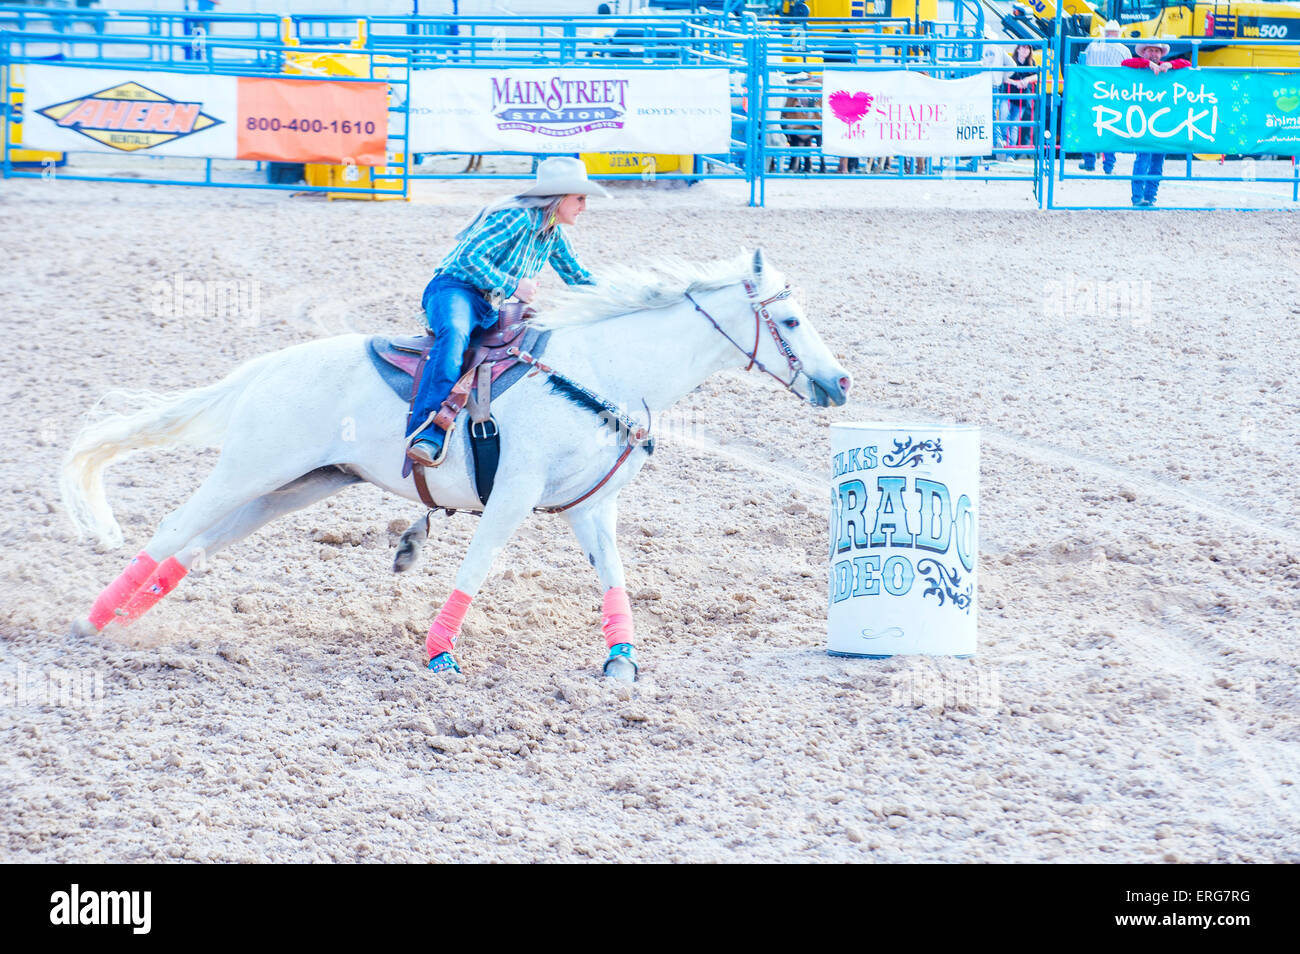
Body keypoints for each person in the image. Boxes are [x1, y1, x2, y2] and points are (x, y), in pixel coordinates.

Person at [406, 156, 606, 466]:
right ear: (559, 198)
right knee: (455, 335)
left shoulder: (552, 234)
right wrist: (513, 286)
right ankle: (429, 429)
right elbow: (467, 259)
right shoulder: (517, 217)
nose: (584, 206)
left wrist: (627, 301)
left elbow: (580, 277)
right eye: (579, 198)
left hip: (489, 303)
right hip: (454, 289)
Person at [1122, 38, 1191, 206]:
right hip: (1143, 119)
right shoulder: (1138, 66)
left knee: (1157, 161)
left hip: (1162, 120)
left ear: (1161, 54)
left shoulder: (1166, 68)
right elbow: (1125, 62)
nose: (1153, 54)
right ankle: (1138, 197)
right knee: (1143, 157)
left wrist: (1171, 65)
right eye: (1150, 50)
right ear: (1144, 52)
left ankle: (1151, 196)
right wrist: (1145, 64)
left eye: (1157, 51)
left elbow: (1187, 63)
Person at [1081, 21, 1131, 174]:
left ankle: (1089, 161)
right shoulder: (1123, 50)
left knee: (1090, 126)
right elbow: (1128, 72)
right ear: (1118, 33)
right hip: (1113, 94)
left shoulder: (1092, 46)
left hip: (1093, 91)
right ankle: (1108, 165)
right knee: (1110, 127)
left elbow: (1085, 64)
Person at [1004, 44, 1038, 151]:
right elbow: (1003, 76)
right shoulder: (1011, 61)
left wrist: (1026, 80)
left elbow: (1037, 75)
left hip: (1022, 99)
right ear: (1018, 49)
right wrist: (1015, 83)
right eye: (1023, 47)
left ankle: (1010, 152)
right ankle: (1003, 145)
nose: (1025, 50)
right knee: (1004, 119)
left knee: (1014, 125)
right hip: (1008, 96)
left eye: (1028, 48)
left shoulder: (1031, 63)